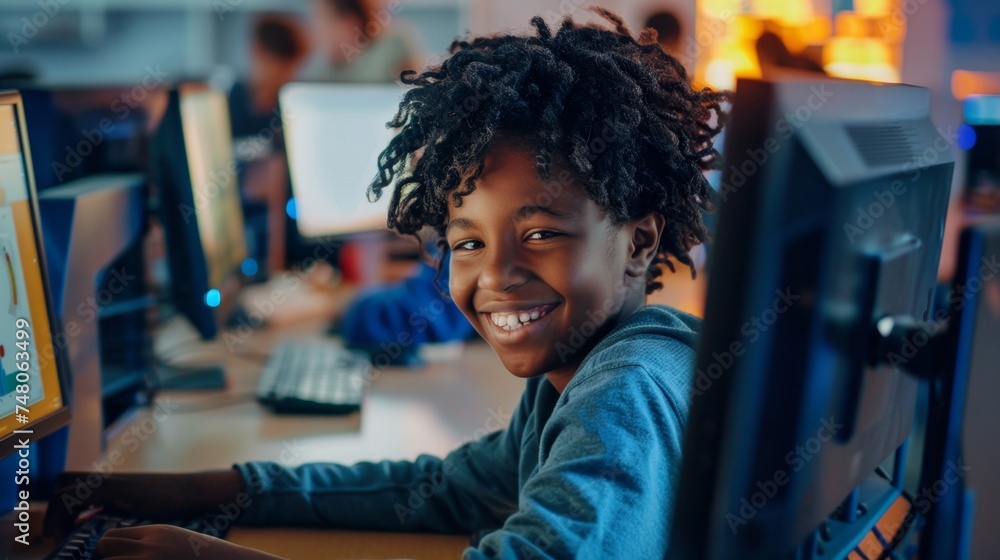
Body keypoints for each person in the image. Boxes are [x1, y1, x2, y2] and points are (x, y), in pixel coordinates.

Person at [44, 9, 727, 558]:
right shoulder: (572, 380)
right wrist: (207, 489)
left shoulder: (627, 387)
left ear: (639, 241)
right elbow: (443, 492)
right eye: (466, 242)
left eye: (542, 234)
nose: (495, 274)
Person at [300, 0, 422, 83]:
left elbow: (415, 88)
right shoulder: (321, 67)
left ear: (348, 21)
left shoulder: (395, 42)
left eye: (322, 19)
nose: (316, 29)